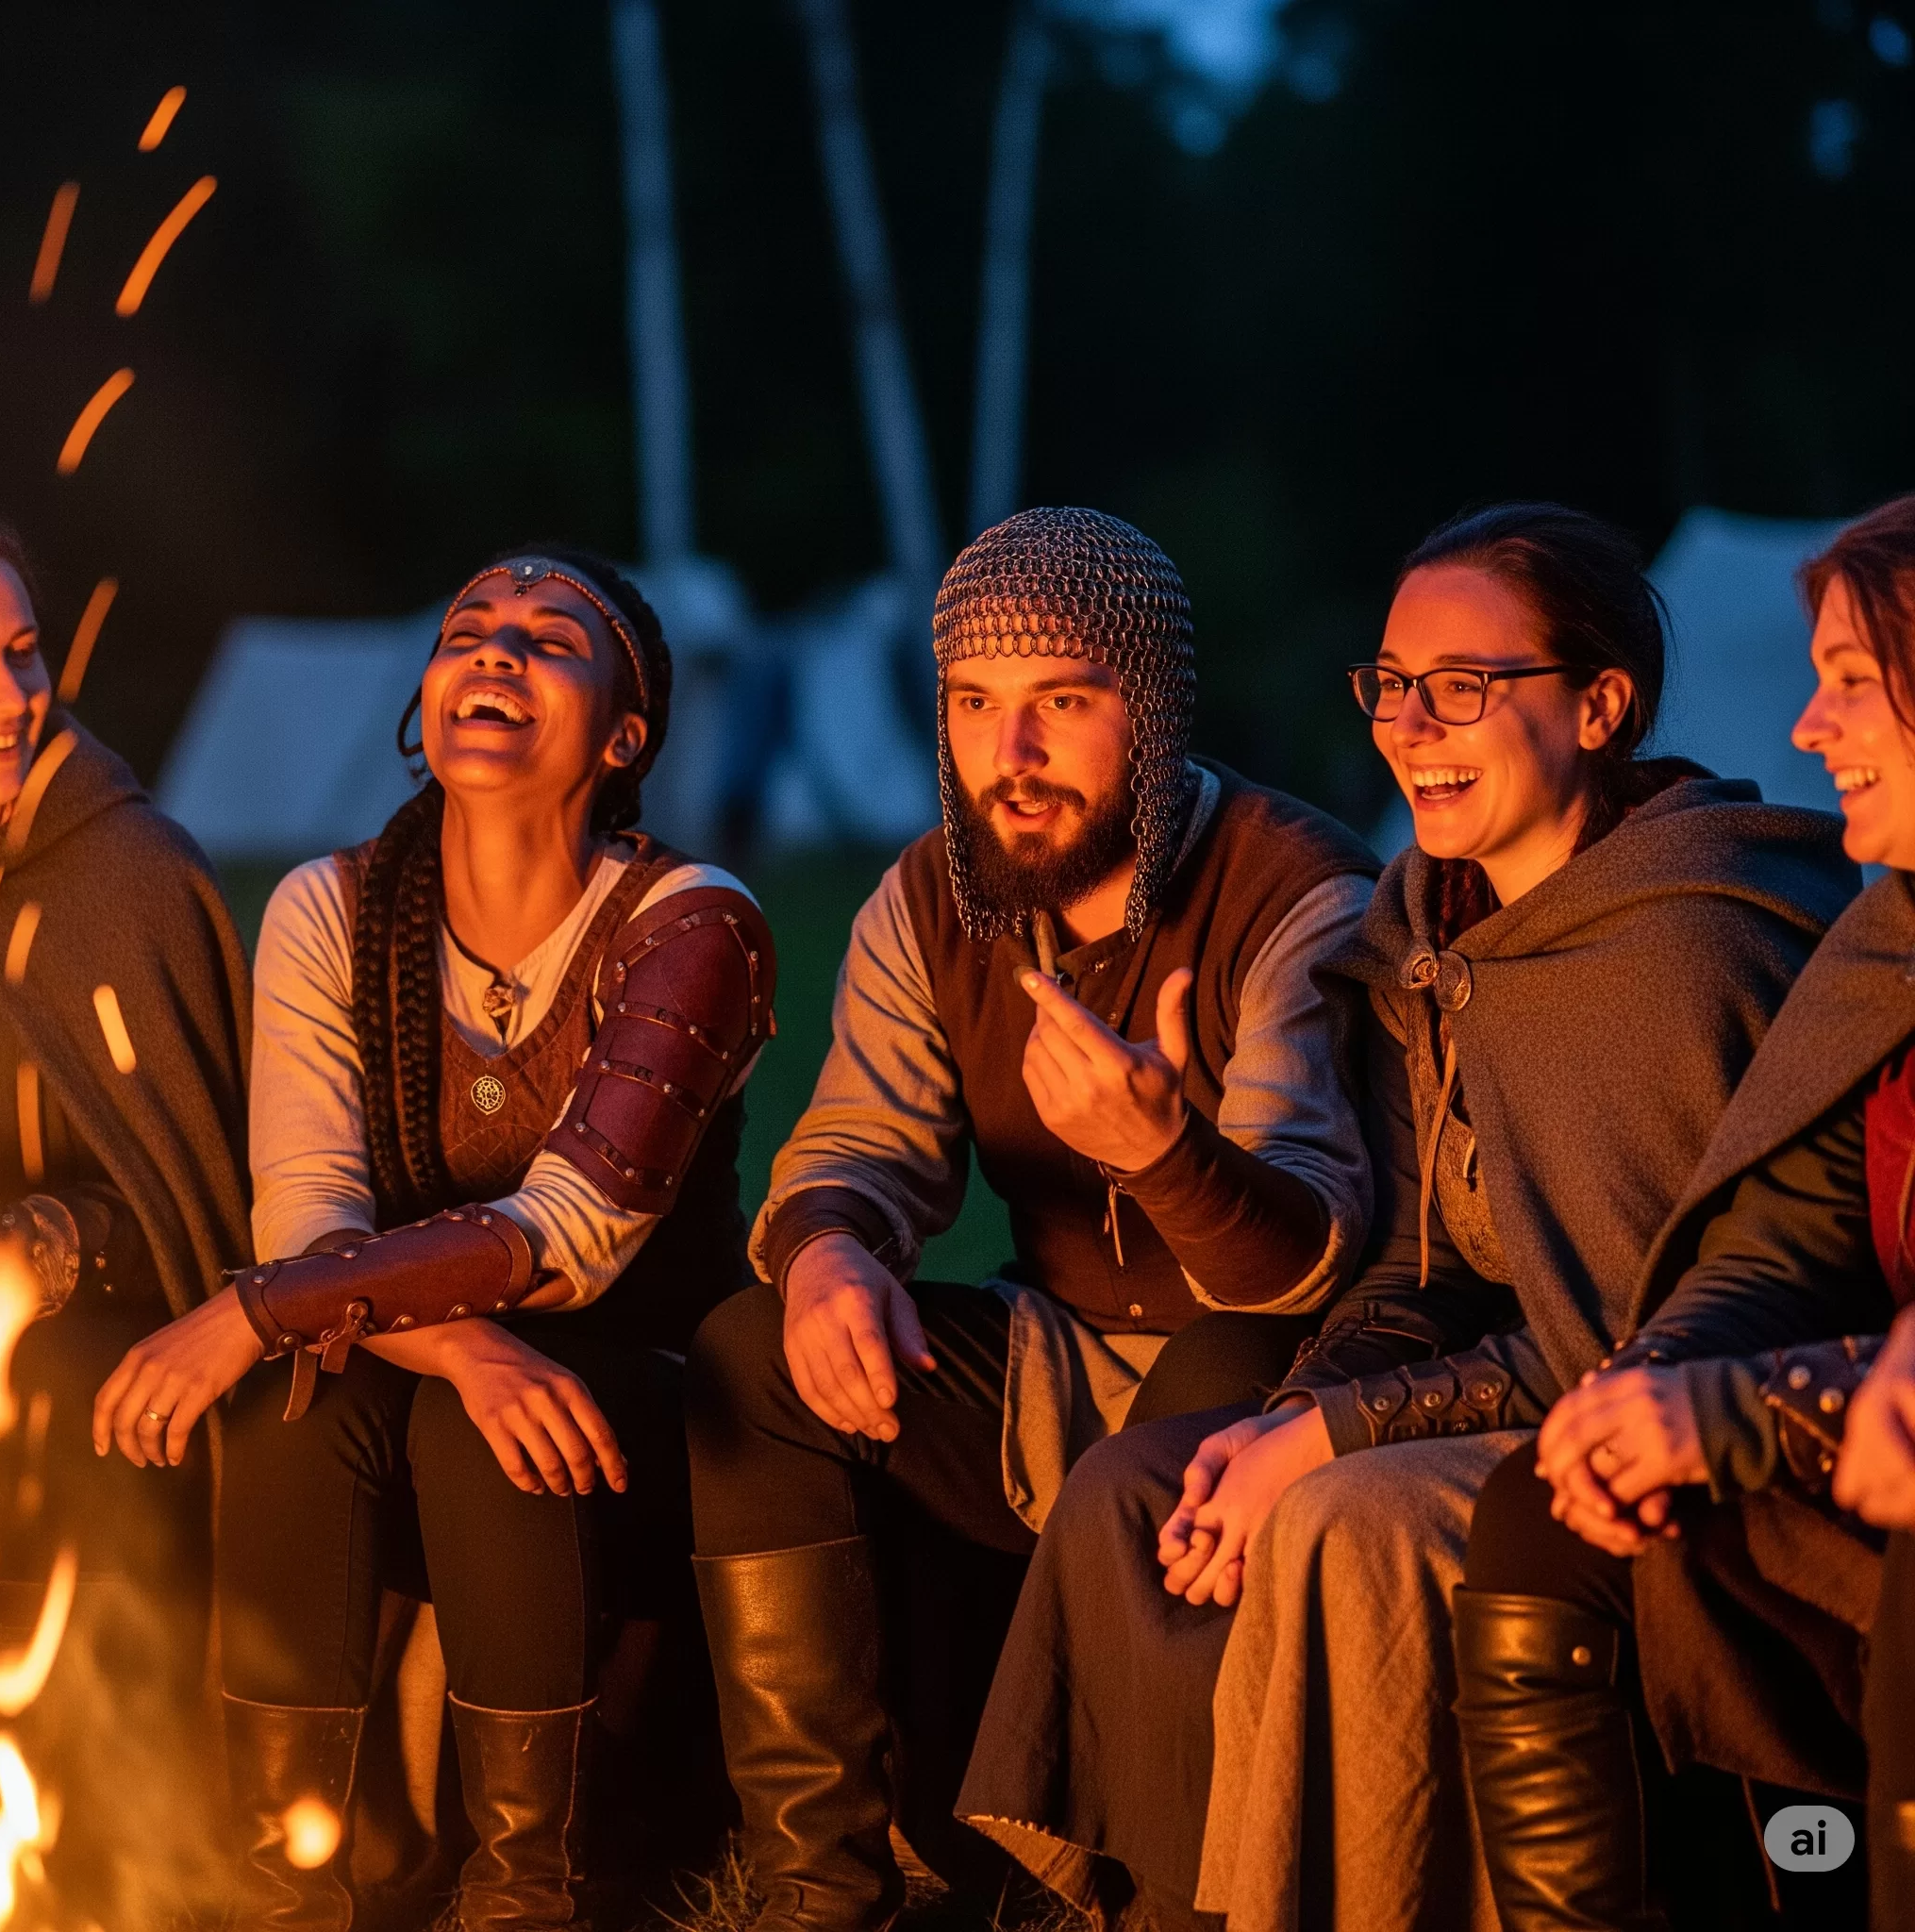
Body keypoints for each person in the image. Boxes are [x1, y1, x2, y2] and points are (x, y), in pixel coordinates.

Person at [955, 503, 1860, 1932]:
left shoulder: (1680, 950)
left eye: (1461, 687)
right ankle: (1141, 1903)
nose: (1409, 725)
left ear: (1600, 705)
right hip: (1522, 1384)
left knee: (1334, 1517)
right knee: (1147, 1485)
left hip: (1680, 1425)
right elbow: (1421, 1270)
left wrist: (1321, 1439)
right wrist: (1283, 1417)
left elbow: (1632, 1341)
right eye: (1389, 683)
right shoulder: (1430, 931)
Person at [685, 506, 1381, 1932]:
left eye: (1061, 704)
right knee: (753, 1356)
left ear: (1155, 706)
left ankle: (1170, 1895)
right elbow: (864, 1141)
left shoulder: (1296, 894)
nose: (1010, 757)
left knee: (1198, 1411)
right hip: (1060, 1348)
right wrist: (826, 1254)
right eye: (974, 707)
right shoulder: (937, 898)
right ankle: (832, 1890)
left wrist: (1167, 1153)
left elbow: (1304, 1252)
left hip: (1277, 1364)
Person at [95, 546, 775, 1931]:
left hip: (643, 1404)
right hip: (426, 1385)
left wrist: (249, 1310)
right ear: (424, 701)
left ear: (627, 733)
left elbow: (569, 1234)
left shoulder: (694, 923)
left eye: (549, 639)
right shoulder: (329, 911)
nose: (497, 651)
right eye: (469, 628)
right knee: (303, 1404)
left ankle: (524, 1892)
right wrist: (463, 1351)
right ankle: (284, 1884)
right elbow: (308, 1217)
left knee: (452, 1415)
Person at [1458, 491, 1915, 1930]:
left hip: (1885, 1457)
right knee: (1562, 1501)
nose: (1804, 727)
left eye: (1850, 682)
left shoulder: (1707, 932)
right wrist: (1657, 1378)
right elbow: (1788, 1227)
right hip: (1854, 1437)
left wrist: (1739, 1410)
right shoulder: (1888, 942)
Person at [0, 513, 253, 1923]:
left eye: (21, 654)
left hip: (114, 1320)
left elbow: (196, 1197)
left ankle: (111, 1844)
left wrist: (38, 1247)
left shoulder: (125, 876)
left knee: (63, 1384)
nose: (8, 700)